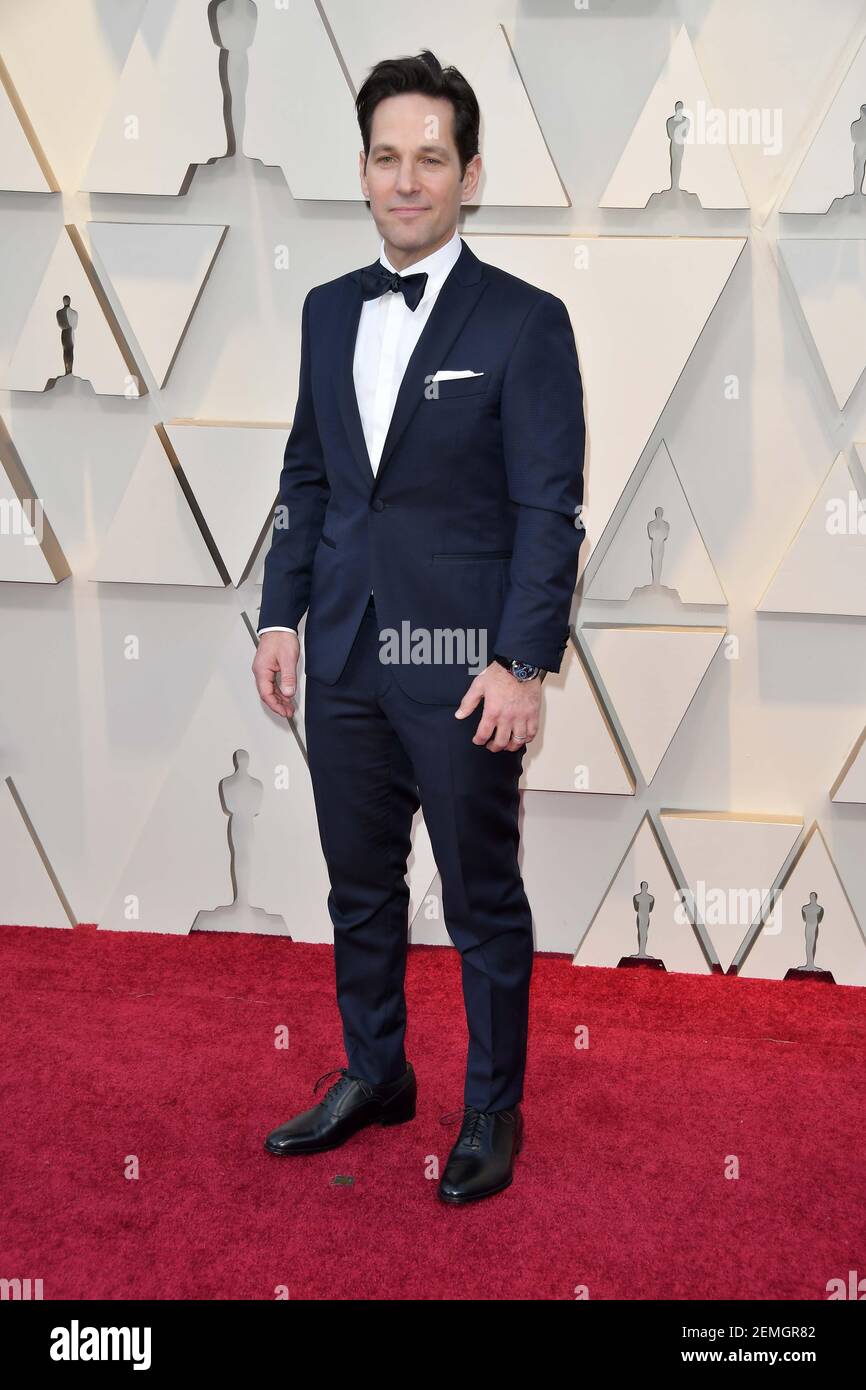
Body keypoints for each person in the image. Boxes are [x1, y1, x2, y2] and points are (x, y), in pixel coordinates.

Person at [252, 49, 586, 1204]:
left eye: (429, 159)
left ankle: (491, 1106)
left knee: (480, 894)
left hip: (459, 670)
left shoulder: (525, 323)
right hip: (339, 650)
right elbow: (308, 472)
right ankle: (376, 1072)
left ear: (469, 173)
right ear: (362, 169)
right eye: (387, 157)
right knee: (359, 887)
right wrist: (278, 613)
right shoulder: (325, 310)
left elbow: (550, 509)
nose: (407, 179)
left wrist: (521, 661)